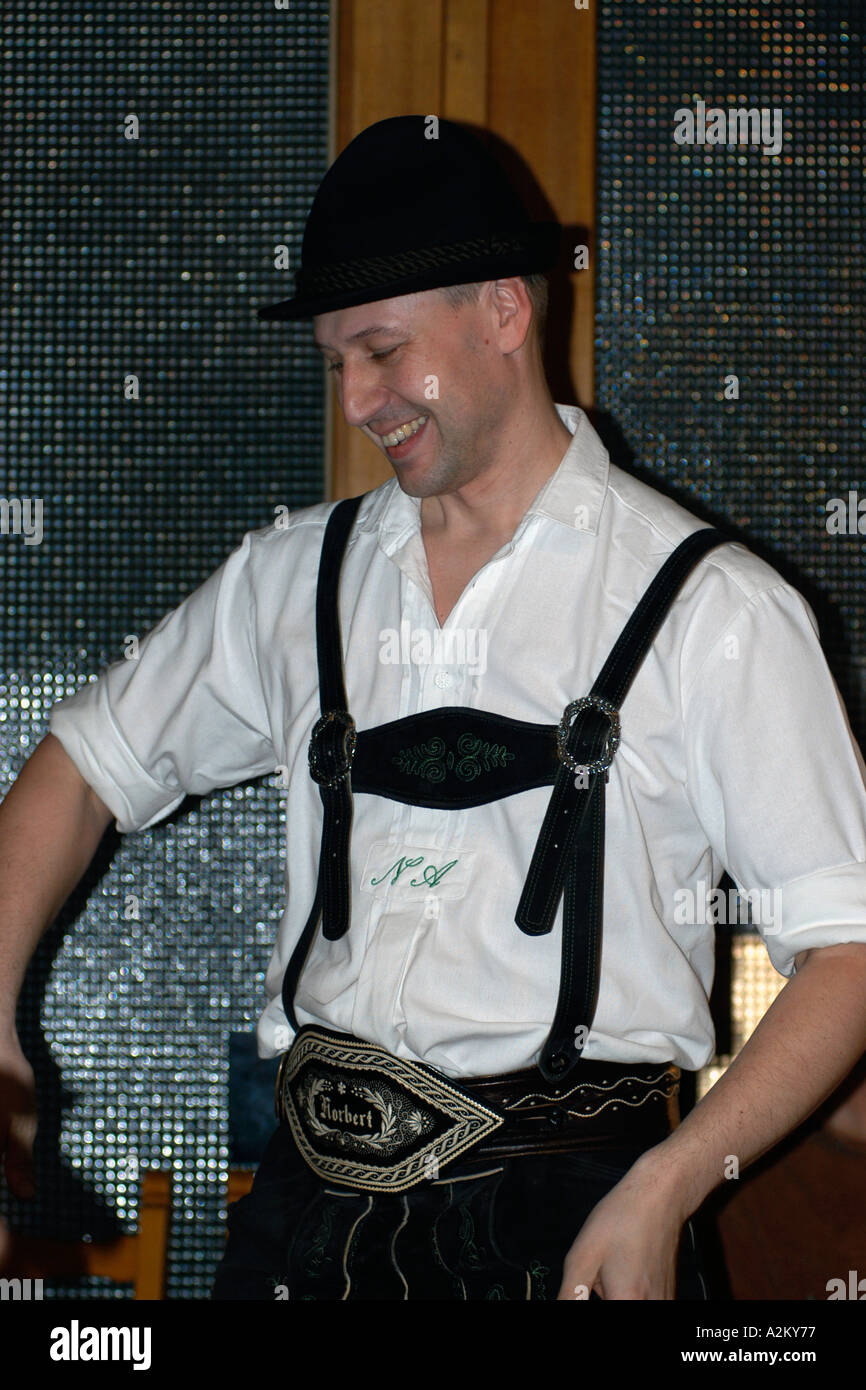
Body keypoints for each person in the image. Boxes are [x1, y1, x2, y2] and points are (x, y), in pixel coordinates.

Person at [1, 116, 866, 1302]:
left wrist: (672, 1182)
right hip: (298, 1220)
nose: (356, 398)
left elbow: (848, 952)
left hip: (570, 1227)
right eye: (334, 361)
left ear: (504, 312)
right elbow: (82, 763)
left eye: (381, 350)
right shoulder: (292, 578)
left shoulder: (714, 610)